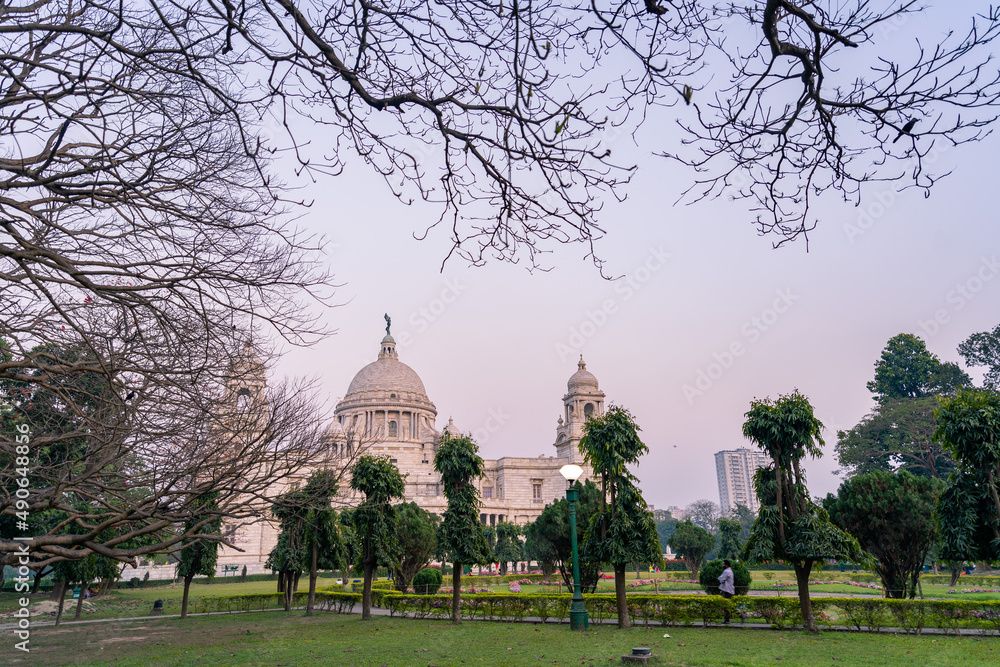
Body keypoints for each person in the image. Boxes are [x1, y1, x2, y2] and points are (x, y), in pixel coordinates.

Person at [718, 559, 735, 624]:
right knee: (727, 605)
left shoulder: (726, 571)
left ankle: (741, 615)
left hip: (727, 590)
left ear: (726, 565)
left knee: (727, 605)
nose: (723, 565)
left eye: (723, 564)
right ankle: (727, 620)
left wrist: (720, 580)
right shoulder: (729, 571)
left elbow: (721, 579)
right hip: (728, 590)